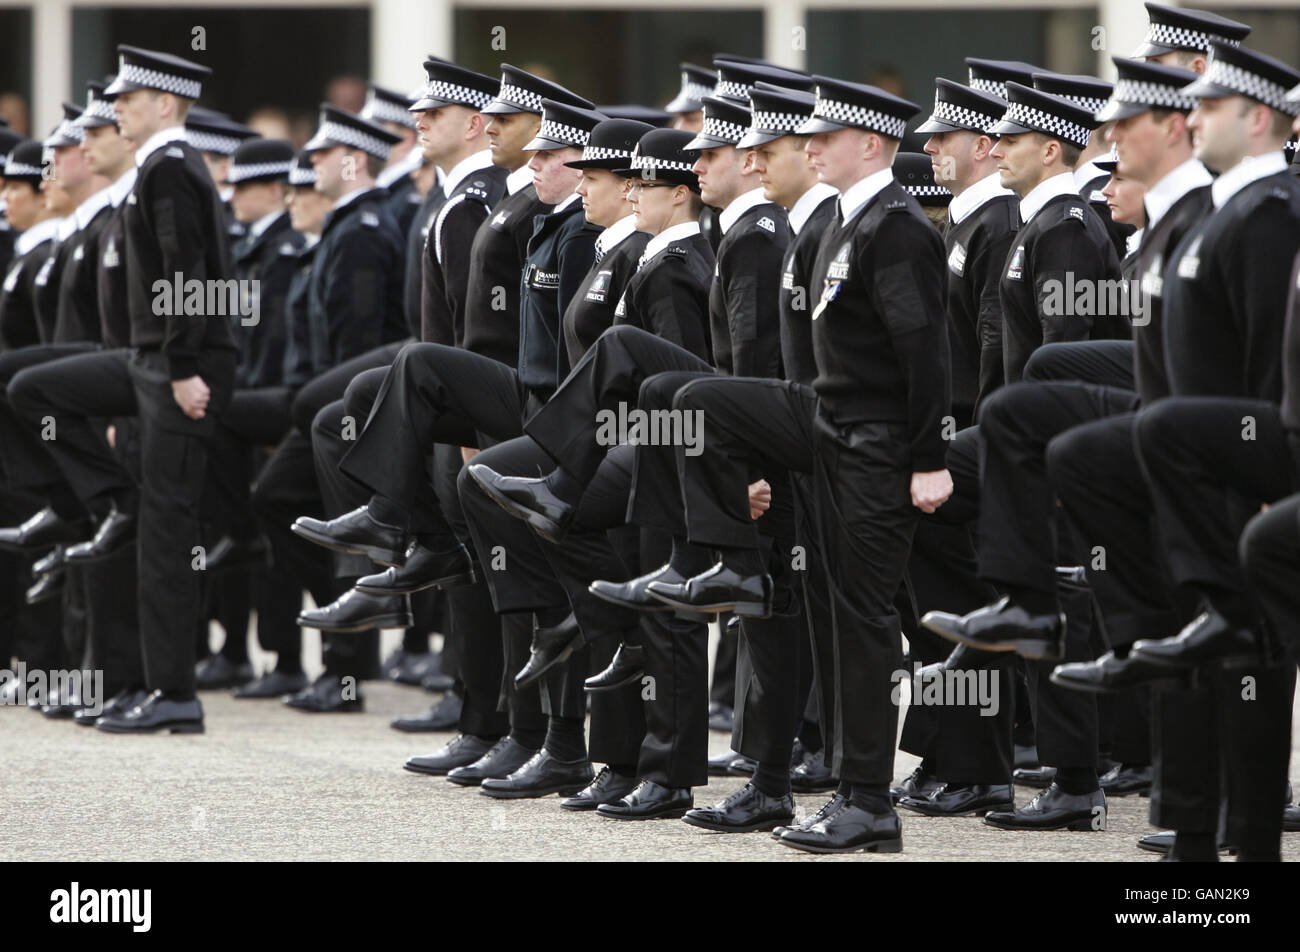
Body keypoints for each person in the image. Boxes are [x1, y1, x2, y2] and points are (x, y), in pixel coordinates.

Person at [11, 45, 236, 734]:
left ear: (163, 104)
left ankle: (174, 693)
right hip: (146, 358)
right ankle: (109, 497)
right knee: (28, 389)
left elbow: (186, 268)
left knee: (167, 532)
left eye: (127, 101)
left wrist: (184, 366)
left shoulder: (170, 167)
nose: (115, 111)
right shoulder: (157, 168)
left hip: (173, 362)